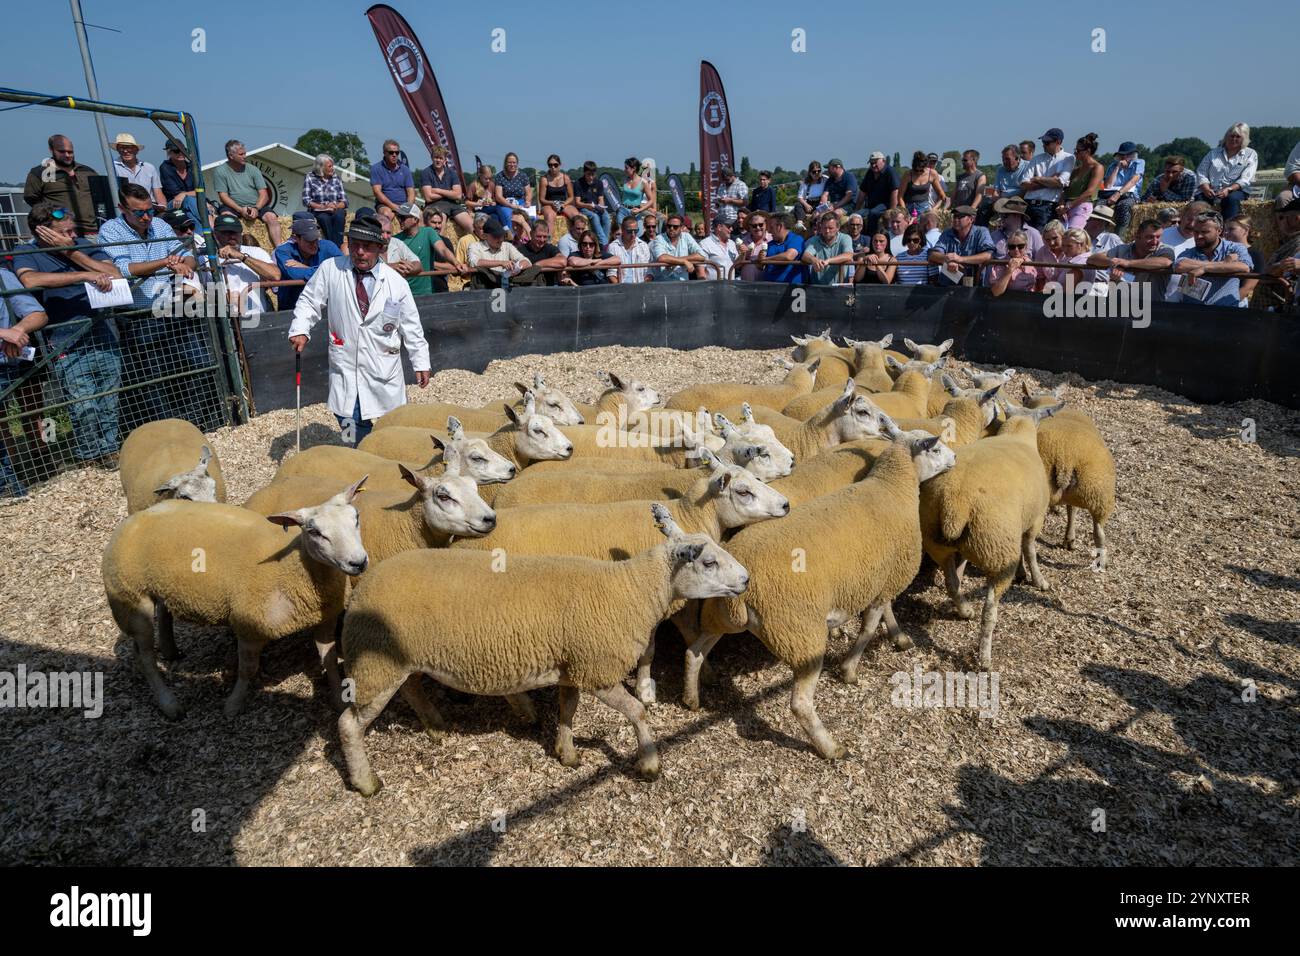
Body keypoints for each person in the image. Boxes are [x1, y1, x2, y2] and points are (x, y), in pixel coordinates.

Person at [288, 213, 430, 446]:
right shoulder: (330, 269)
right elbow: (309, 301)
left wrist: (421, 362)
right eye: (355, 245)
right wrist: (301, 328)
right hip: (346, 361)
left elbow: (412, 326)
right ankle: (357, 453)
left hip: (383, 364)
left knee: (392, 424)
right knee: (348, 418)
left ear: (380, 248)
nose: (360, 252)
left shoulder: (396, 283)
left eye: (367, 246)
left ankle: (379, 452)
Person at [12, 203, 124, 465]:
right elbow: (30, 280)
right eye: (65, 232)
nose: (73, 235)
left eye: (73, 231)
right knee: (83, 402)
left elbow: (115, 274)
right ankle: (87, 454)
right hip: (64, 336)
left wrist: (72, 252)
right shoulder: (26, 251)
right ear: (43, 233)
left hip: (102, 329)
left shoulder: (82, 245)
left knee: (109, 397)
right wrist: (85, 275)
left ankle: (109, 449)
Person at [0, 266, 51, 497]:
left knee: (37, 410)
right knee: (3, 424)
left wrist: (18, 329)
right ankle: (12, 474)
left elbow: (38, 314)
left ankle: (44, 457)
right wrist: (3, 332)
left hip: (20, 357)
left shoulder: (4, 275)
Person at [1171, 211, 1253, 307]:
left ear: (1219, 231)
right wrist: (1224, 264)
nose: (1198, 236)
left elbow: (1245, 267)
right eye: (1196, 232)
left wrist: (1204, 269)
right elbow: (1180, 265)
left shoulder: (1235, 248)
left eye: (1204, 232)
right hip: (1194, 313)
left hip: (1226, 313)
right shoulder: (1189, 252)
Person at [24, 135, 100, 236]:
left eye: (70, 152)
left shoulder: (88, 171)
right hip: (63, 232)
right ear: (51, 150)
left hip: (92, 232)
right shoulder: (39, 173)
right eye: (62, 152)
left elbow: (101, 198)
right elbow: (32, 200)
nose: (67, 155)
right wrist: (54, 215)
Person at [1086, 218, 1176, 303]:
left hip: (1151, 309)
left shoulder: (1165, 250)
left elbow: (1165, 262)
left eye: (1158, 237)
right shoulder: (1122, 249)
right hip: (1119, 308)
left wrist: (1128, 263)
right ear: (1137, 236)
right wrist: (1113, 262)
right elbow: (1092, 259)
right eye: (1150, 237)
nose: (1155, 241)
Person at [210, 212, 279, 318]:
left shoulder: (255, 252)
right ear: (215, 234)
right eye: (226, 232)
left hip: (257, 317)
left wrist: (241, 256)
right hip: (225, 321)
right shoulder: (208, 257)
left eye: (235, 232)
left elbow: (275, 275)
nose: (232, 236)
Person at [213, 140, 281, 246]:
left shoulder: (253, 169)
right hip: (233, 207)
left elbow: (264, 194)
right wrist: (240, 209)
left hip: (256, 205)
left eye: (245, 153)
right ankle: (232, 248)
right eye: (241, 154)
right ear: (231, 156)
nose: (245, 156)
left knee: (272, 217)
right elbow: (223, 196)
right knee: (227, 219)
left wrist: (256, 208)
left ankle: (279, 248)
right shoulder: (220, 171)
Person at [274, 216, 343, 311]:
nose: (314, 244)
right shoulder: (283, 251)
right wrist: (327, 271)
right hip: (291, 306)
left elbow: (342, 267)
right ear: (295, 238)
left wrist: (304, 267)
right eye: (309, 241)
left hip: (322, 305)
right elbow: (294, 275)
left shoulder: (328, 246)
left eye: (316, 239)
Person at [397, 202, 465, 296]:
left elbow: (443, 250)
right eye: (398, 217)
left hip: (425, 293)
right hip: (403, 293)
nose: (399, 220)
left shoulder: (428, 232)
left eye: (403, 218)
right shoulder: (395, 239)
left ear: (415, 219)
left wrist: (456, 263)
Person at [1196, 123, 1257, 221]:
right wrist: (1206, 188)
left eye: (1238, 137)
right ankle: (1202, 228)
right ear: (1226, 137)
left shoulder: (1250, 154)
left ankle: (1228, 228)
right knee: (1200, 201)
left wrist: (1229, 189)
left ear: (1244, 139)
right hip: (1211, 190)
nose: (1234, 139)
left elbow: (1246, 178)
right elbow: (1201, 171)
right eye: (1231, 136)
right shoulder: (1213, 153)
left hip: (1236, 190)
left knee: (1231, 199)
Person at [1019, 128, 1075, 229]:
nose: (1044, 145)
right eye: (1043, 142)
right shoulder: (1037, 158)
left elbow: (1059, 182)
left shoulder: (1069, 158)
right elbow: (1024, 183)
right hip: (1028, 205)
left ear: (1058, 142)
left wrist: (1037, 178)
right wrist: (1050, 181)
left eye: (1047, 142)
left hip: (1047, 207)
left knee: (1040, 238)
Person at [927, 205, 994, 286]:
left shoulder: (982, 232)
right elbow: (932, 255)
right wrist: (946, 259)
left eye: (960, 217)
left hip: (974, 286)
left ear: (971, 219)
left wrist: (960, 259)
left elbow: (988, 255)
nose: (955, 219)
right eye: (954, 216)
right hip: (948, 287)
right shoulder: (947, 233)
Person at [418, 146, 474, 237]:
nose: (438, 160)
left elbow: (458, 195)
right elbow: (428, 197)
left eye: (441, 158)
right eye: (436, 157)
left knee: (472, 225)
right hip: (435, 205)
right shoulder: (426, 173)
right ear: (432, 158)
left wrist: (438, 190)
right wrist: (449, 192)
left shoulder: (452, 173)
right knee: (440, 226)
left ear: (445, 160)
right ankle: (440, 248)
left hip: (453, 204)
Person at [1261, 194, 1300, 313]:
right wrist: (1279, 267)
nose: (1280, 222)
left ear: (1296, 218)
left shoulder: (1296, 243)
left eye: (1283, 217)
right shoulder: (1291, 242)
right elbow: (1272, 271)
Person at [467, 218, 531, 288]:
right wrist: (501, 263)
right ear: (485, 236)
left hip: (505, 284)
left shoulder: (507, 246)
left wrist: (517, 267)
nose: (500, 239)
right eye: (496, 236)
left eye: (502, 236)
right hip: (485, 285)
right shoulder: (475, 246)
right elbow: (474, 263)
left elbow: (526, 261)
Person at [302, 153, 349, 246]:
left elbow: (345, 201)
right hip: (319, 210)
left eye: (333, 166)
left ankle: (336, 246)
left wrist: (335, 206)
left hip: (335, 209)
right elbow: (306, 200)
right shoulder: (310, 177)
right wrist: (323, 207)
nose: (333, 168)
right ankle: (333, 246)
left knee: (340, 216)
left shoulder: (336, 178)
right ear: (321, 167)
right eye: (330, 166)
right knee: (324, 219)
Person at [1058, 133, 1103, 229]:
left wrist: (1068, 207)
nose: (1075, 153)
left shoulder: (1097, 167)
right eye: (1075, 150)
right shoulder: (1076, 170)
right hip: (1068, 207)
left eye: (1078, 151)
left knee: (1073, 235)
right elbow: (1064, 190)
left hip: (1082, 206)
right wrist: (1062, 205)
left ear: (1088, 151)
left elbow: (1089, 192)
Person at [1099, 141, 1144, 234]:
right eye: (1122, 155)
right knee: (1099, 205)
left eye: (1127, 155)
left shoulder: (1139, 163)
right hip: (1111, 194)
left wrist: (1118, 194)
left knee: (1123, 206)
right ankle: (1100, 233)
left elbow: (1133, 181)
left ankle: (1119, 236)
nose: (1124, 157)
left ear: (1133, 155)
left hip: (1130, 195)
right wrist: (1117, 168)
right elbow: (1107, 185)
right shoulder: (1113, 166)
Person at [111, 133, 165, 209]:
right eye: (122, 148)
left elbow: (158, 192)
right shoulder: (112, 168)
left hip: (150, 208)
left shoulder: (149, 168)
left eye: (129, 147)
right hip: (129, 209)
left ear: (136, 150)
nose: (125, 151)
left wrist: (163, 208)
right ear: (118, 150)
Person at [159, 140, 203, 230]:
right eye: (176, 151)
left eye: (183, 150)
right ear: (169, 153)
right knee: (188, 200)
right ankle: (208, 220)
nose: (180, 153)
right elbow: (176, 194)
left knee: (190, 213)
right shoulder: (165, 168)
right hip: (174, 203)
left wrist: (184, 194)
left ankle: (200, 238)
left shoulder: (192, 167)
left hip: (194, 203)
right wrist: (187, 195)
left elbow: (202, 190)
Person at [802, 212, 855, 285]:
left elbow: (848, 255)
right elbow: (805, 255)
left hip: (840, 287)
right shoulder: (814, 240)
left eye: (830, 228)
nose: (827, 231)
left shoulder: (845, 238)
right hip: (818, 287)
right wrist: (814, 260)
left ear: (838, 228)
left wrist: (828, 261)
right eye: (825, 228)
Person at [854, 152, 900, 234]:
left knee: (874, 213)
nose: (873, 165)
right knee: (857, 215)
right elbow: (862, 192)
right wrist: (857, 209)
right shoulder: (870, 173)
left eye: (875, 162)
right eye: (871, 163)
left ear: (883, 161)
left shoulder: (890, 172)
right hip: (870, 206)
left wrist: (892, 211)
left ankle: (871, 236)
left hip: (885, 204)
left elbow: (895, 192)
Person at [375, 207, 424, 283]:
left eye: (388, 233)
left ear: (415, 219)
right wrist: (395, 267)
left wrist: (404, 267)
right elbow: (367, 267)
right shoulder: (367, 245)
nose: (385, 236)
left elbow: (418, 265)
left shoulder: (397, 243)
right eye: (382, 232)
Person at [649, 215, 706, 280]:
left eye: (675, 227)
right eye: (669, 226)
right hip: (663, 284)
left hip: (683, 284)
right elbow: (661, 257)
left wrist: (675, 261)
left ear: (681, 228)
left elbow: (702, 255)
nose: (671, 228)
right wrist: (684, 261)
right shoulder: (659, 238)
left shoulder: (686, 236)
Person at [369, 139, 416, 217]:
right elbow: (377, 192)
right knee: (387, 214)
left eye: (397, 153)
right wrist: (394, 207)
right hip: (385, 205)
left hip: (404, 205)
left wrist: (408, 207)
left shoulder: (405, 169)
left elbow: (411, 192)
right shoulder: (376, 168)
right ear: (384, 153)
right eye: (391, 152)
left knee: (421, 216)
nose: (394, 155)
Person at [494, 152, 534, 241]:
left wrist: (528, 201)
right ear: (505, 163)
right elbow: (498, 196)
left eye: (514, 162)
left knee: (532, 216)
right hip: (505, 203)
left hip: (521, 202)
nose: (512, 164)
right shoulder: (500, 176)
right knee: (510, 216)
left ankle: (531, 238)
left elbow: (529, 192)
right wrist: (512, 206)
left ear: (517, 163)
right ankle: (513, 240)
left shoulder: (523, 176)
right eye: (509, 162)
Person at [1223, 216, 1263, 306]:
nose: (1226, 232)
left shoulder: (1254, 254)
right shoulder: (1221, 251)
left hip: (1236, 302)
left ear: (1245, 230)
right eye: (1225, 229)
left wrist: (1228, 303)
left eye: (1231, 229)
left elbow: (1247, 287)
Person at [513, 222, 567, 286]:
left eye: (545, 237)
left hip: (548, 289)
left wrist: (538, 264)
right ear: (531, 234)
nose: (542, 240)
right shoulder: (521, 250)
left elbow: (563, 261)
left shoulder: (549, 248)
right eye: (538, 236)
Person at [572, 160, 611, 249]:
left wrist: (601, 207)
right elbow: (577, 203)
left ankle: (603, 242)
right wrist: (588, 206)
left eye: (593, 175)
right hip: (584, 207)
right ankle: (604, 243)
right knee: (594, 217)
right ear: (584, 172)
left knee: (606, 216)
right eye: (589, 174)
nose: (591, 177)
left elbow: (601, 199)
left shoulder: (599, 183)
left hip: (596, 206)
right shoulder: (578, 183)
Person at [988, 232, 1039, 297]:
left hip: (1029, 301)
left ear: (1025, 246)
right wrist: (1009, 270)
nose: (1016, 250)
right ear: (1008, 248)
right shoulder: (1001, 265)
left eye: (1020, 246)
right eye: (1012, 247)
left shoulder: (1029, 262)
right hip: (1009, 302)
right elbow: (996, 292)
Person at [466, 164, 511, 237]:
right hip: (478, 210)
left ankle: (497, 236)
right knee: (497, 208)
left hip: (489, 209)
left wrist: (493, 202)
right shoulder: (473, 185)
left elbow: (494, 200)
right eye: (486, 178)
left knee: (495, 217)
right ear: (480, 176)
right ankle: (506, 228)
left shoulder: (491, 185)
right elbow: (467, 202)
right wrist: (479, 204)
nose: (488, 180)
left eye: (490, 178)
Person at [606, 215, 652, 284]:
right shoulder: (613, 247)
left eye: (636, 231)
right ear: (622, 230)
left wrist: (643, 286)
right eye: (629, 231)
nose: (633, 234)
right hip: (621, 290)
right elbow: (611, 273)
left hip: (641, 288)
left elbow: (649, 271)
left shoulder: (644, 246)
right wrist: (621, 289)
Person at [538, 154, 575, 239]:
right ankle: (548, 241)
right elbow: (541, 199)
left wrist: (564, 204)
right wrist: (552, 203)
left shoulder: (566, 178)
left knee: (576, 216)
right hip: (548, 203)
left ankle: (578, 240)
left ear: (560, 165)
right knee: (550, 216)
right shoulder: (544, 179)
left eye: (555, 165)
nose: (553, 167)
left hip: (563, 203)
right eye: (550, 165)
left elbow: (571, 197)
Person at [762, 213, 806, 284]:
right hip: (769, 289)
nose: (769, 231)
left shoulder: (796, 239)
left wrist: (766, 259)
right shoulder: (770, 244)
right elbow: (760, 266)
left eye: (771, 227)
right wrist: (759, 259)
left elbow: (789, 256)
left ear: (779, 226)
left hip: (791, 290)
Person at [899, 151, 945, 218]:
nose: (919, 173)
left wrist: (933, 210)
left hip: (924, 209)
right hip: (909, 208)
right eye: (916, 171)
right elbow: (900, 197)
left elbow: (942, 196)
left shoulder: (932, 174)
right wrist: (905, 212)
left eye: (921, 170)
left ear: (925, 166)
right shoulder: (908, 174)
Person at [616, 157, 654, 227]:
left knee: (637, 234)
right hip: (622, 211)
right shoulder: (624, 179)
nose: (624, 170)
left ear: (634, 168)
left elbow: (651, 200)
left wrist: (640, 210)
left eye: (626, 168)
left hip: (636, 213)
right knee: (621, 234)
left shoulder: (643, 182)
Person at [950, 150, 988, 220]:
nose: (962, 162)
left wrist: (970, 211)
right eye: (962, 160)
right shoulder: (960, 177)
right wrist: (945, 209)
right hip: (958, 213)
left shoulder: (980, 176)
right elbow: (953, 196)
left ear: (973, 160)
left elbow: (979, 195)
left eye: (965, 160)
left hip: (971, 214)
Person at [735, 211, 769, 281]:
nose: (758, 228)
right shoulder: (743, 241)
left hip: (766, 284)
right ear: (749, 227)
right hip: (746, 284)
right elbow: (736, 266)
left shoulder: (772, 239)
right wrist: (744, 254)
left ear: (766, 224)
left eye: (761, 224)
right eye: (754, 226)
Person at [794, 161, 828, 227]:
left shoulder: (825, 179)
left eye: (819, 171)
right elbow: (799, 197)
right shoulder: (805, 182)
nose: (816, 173)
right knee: (797, 205)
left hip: (820, 203)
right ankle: (800, 222)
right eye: (814, 172)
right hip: (809, 203)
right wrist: (806, 205)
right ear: (810, 173)